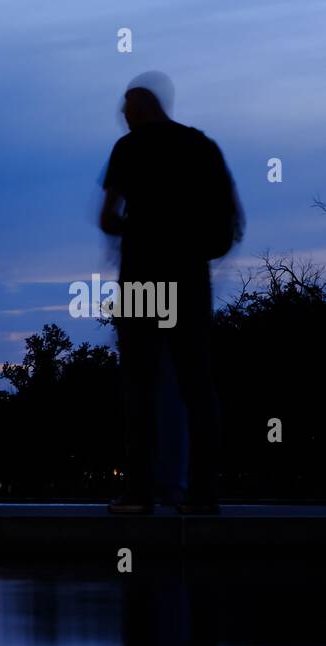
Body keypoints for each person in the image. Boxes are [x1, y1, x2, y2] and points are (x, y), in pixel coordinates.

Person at [99, 71, 242, 515]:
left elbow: (108, 216)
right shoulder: (201, 146)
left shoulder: (129, 149)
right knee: (196, 384)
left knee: (140, 385)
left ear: (142, 107)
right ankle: (201, 493)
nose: (122, 115)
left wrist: (135, 231)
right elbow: (231, 217)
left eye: (126, 106)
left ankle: (139, 493)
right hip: (189, 277)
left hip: (143, 276)